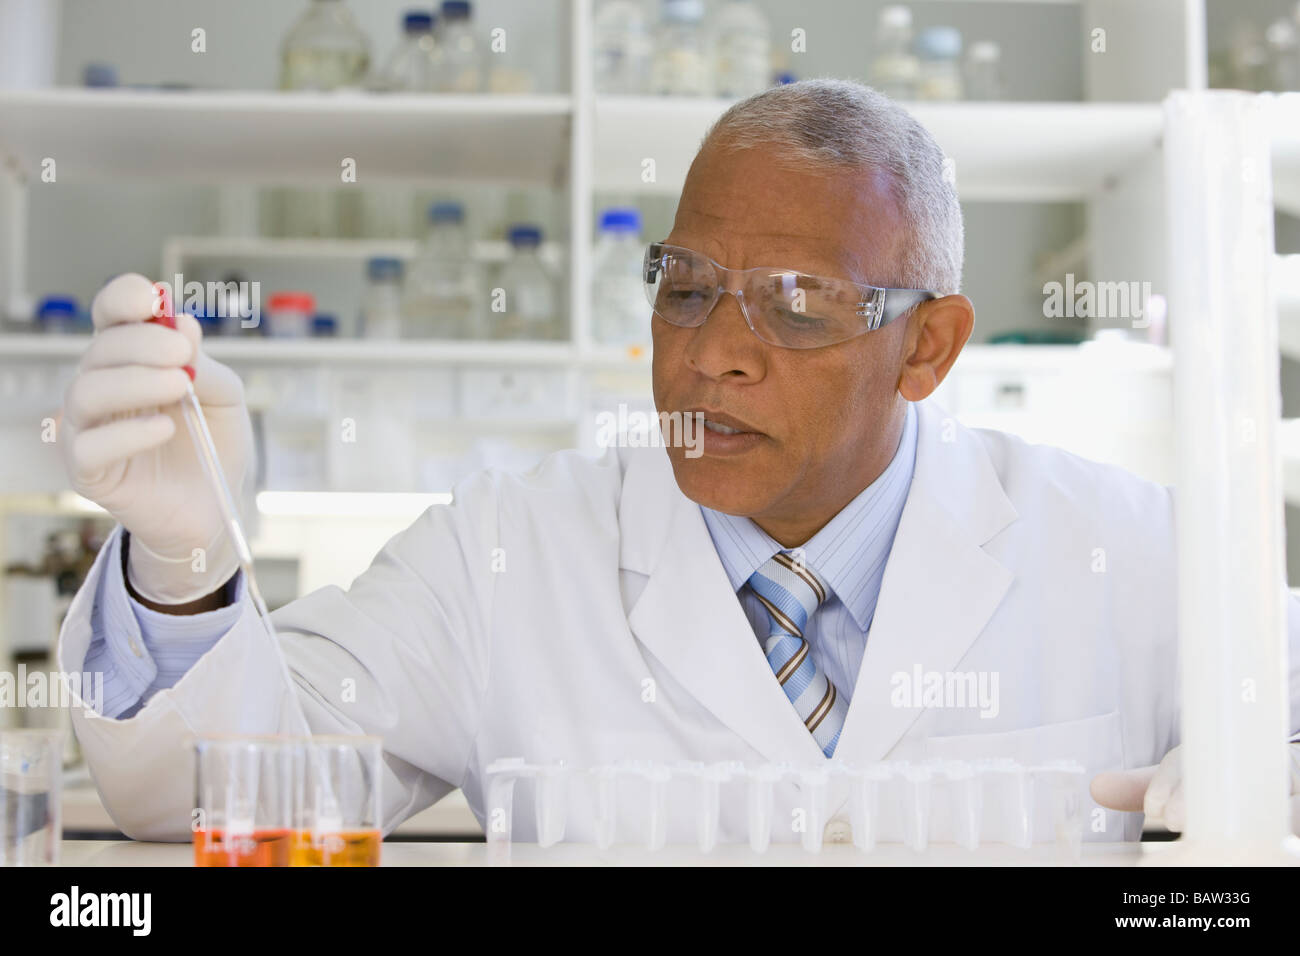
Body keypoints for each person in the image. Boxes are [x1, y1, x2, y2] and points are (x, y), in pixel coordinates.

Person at [56, 79, 1300, 845]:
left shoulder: (1134, 554)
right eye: (687, 288)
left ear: (926, 345)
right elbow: (217, 798)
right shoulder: (504, 557)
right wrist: (184, 556)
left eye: (799, 304)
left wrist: (1265, 794)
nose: (714, 356)